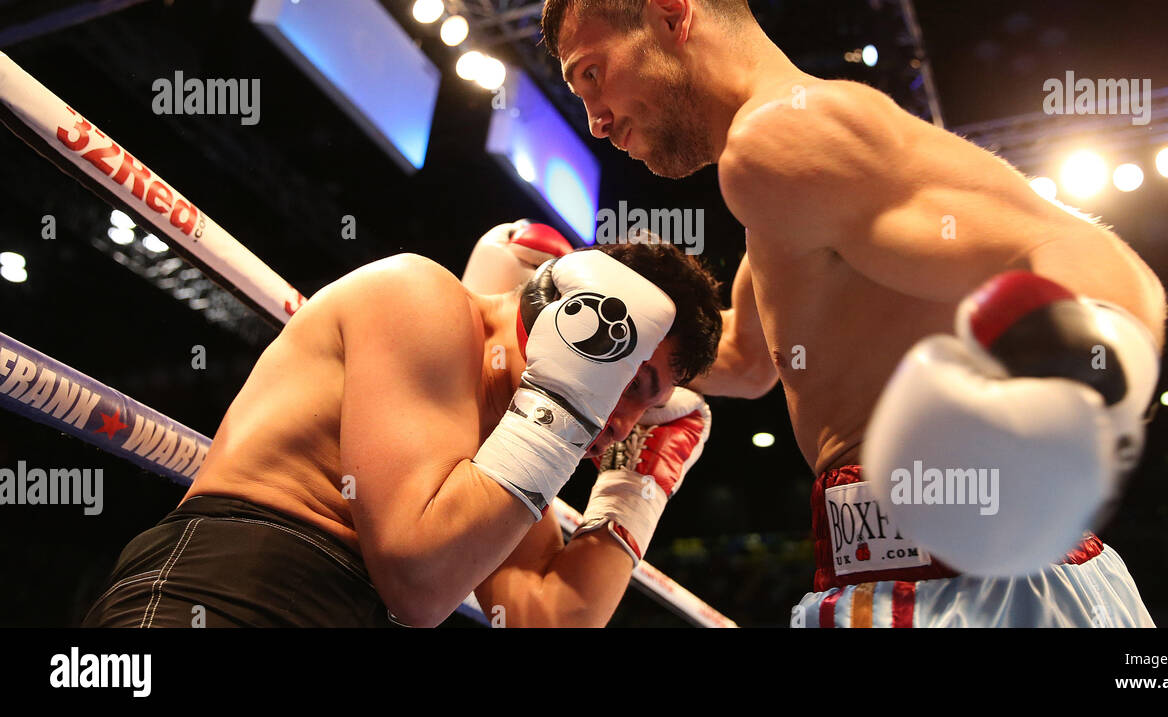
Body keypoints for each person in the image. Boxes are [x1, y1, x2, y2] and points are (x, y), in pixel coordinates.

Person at [541, 0, 1168, 627]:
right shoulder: (770, 175)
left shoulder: (779, 137)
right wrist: (582, 318)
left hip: (976, 587)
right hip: (899, 580)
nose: (595, 120)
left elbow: (1094, 259)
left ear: (671, 12)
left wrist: (1061, 407)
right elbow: (747, 358)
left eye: (593, 75)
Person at [82, 222, 722, 627]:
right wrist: (568, 407)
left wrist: (635, 492)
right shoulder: (421, 297)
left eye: (652, 405)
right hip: (232, 590)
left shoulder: (507, 449)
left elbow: (544, 621)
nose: (626, 422)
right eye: (631, 382)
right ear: (584, 317)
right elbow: (419, 584)